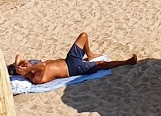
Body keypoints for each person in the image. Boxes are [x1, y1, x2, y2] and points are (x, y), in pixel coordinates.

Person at [10, 33, 138, 84]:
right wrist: (27, 70)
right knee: (100, 64)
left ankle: (90, 54)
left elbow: (18, 56)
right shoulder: (35, 78)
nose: (26, 63)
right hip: (73, 68)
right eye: (24, 67)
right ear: (22, 73)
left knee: (83, 36)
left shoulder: (30, 67)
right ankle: (128, 62)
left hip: (68, 60)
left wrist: (18, 65)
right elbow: (42, 66)